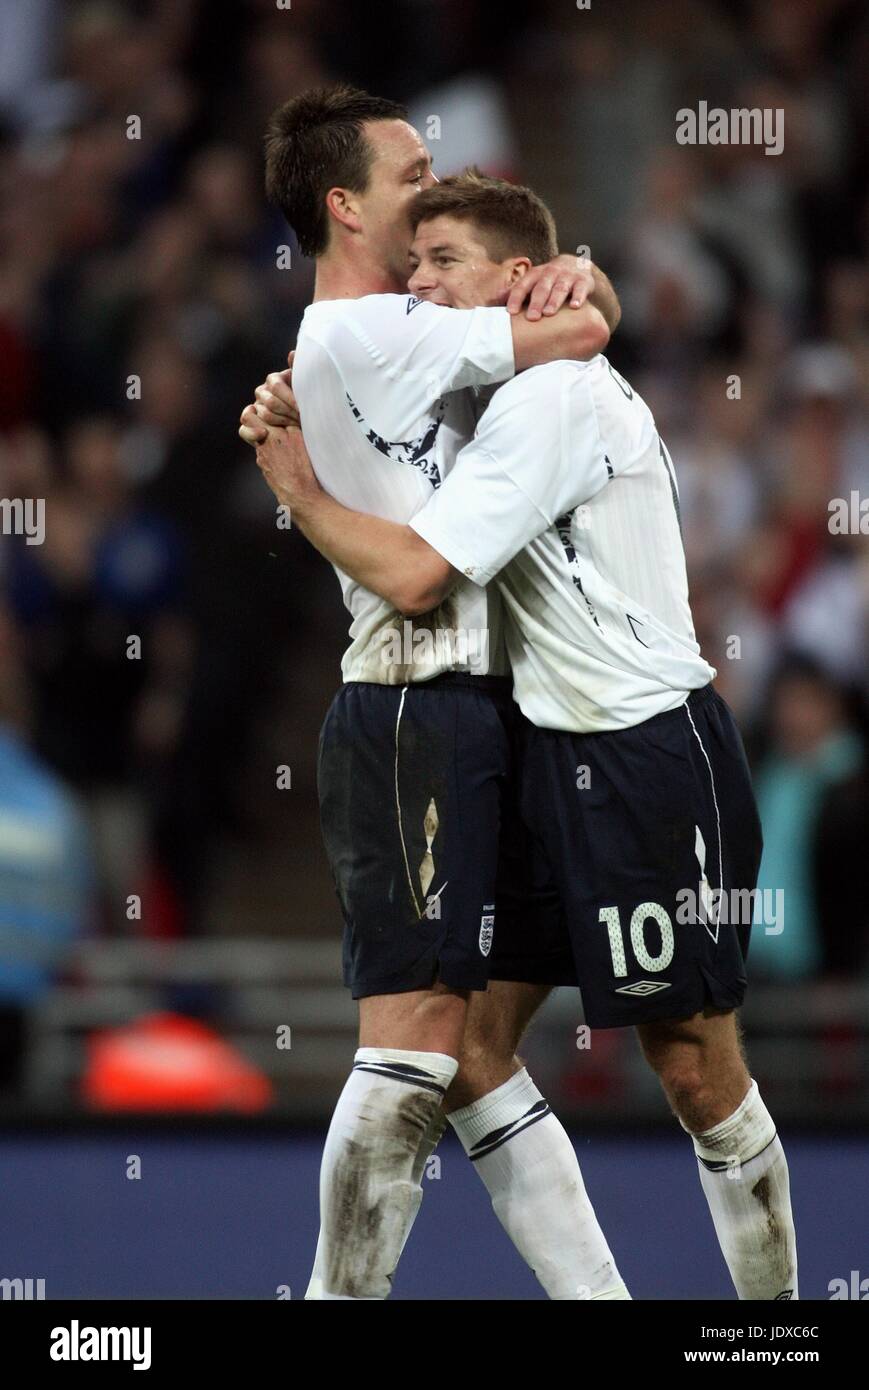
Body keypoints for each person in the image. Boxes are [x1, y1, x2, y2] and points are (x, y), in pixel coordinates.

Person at [254, 171, 799, 1301]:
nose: (416, 282)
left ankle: (776, 1326)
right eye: (410, 263)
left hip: (649, 749)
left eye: (442, 260)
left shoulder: (552, 404)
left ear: (515, 282)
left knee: (692, 1067)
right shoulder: (490, 387)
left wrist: (300, 492)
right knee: (467, 1047)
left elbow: (412, 575)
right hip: (551, 754)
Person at [240, 87, 628, 1301]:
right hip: (411, 704)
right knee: (411, 1043)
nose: (432, 179)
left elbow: (588, 311)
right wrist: (571, 291)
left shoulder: (396, 325)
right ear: (343, 202)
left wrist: (579, 278)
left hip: (476, 703)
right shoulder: (361, 336)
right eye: (409, 169)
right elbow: (580, 334)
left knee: (470, 1054)